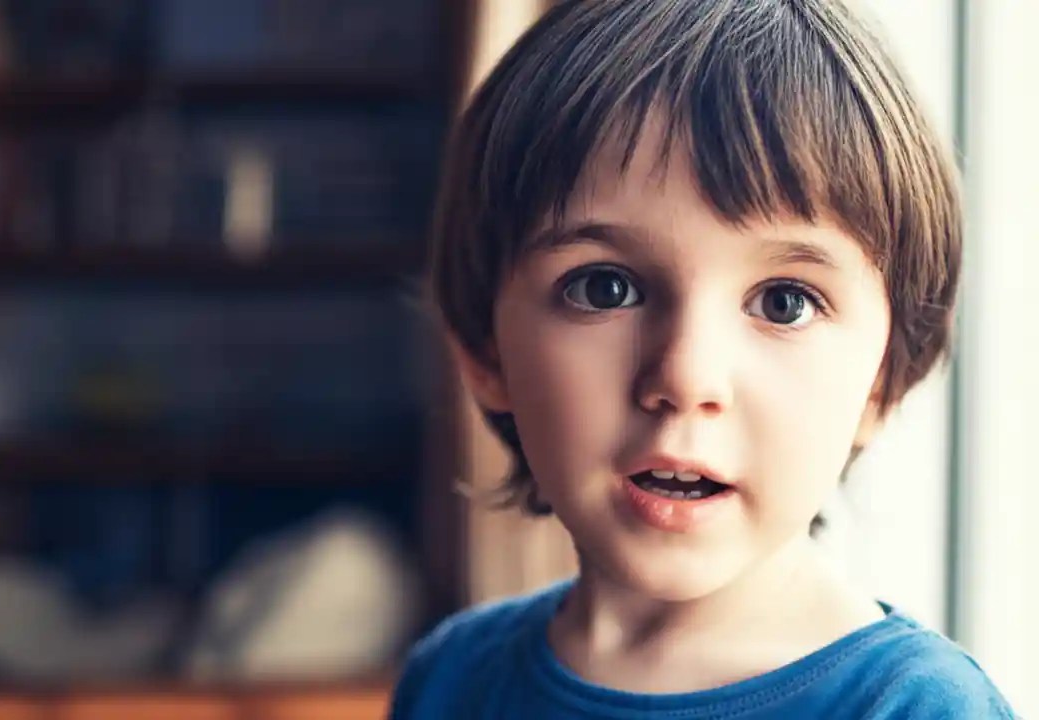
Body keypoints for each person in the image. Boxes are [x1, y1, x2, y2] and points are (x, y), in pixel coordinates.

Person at [391, 0, 1016, 717]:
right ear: (485, 351)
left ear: (882, 381)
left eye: (784, 302)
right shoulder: (450, 678)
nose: (685, 376)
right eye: (605, 288)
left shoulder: (913, 707)